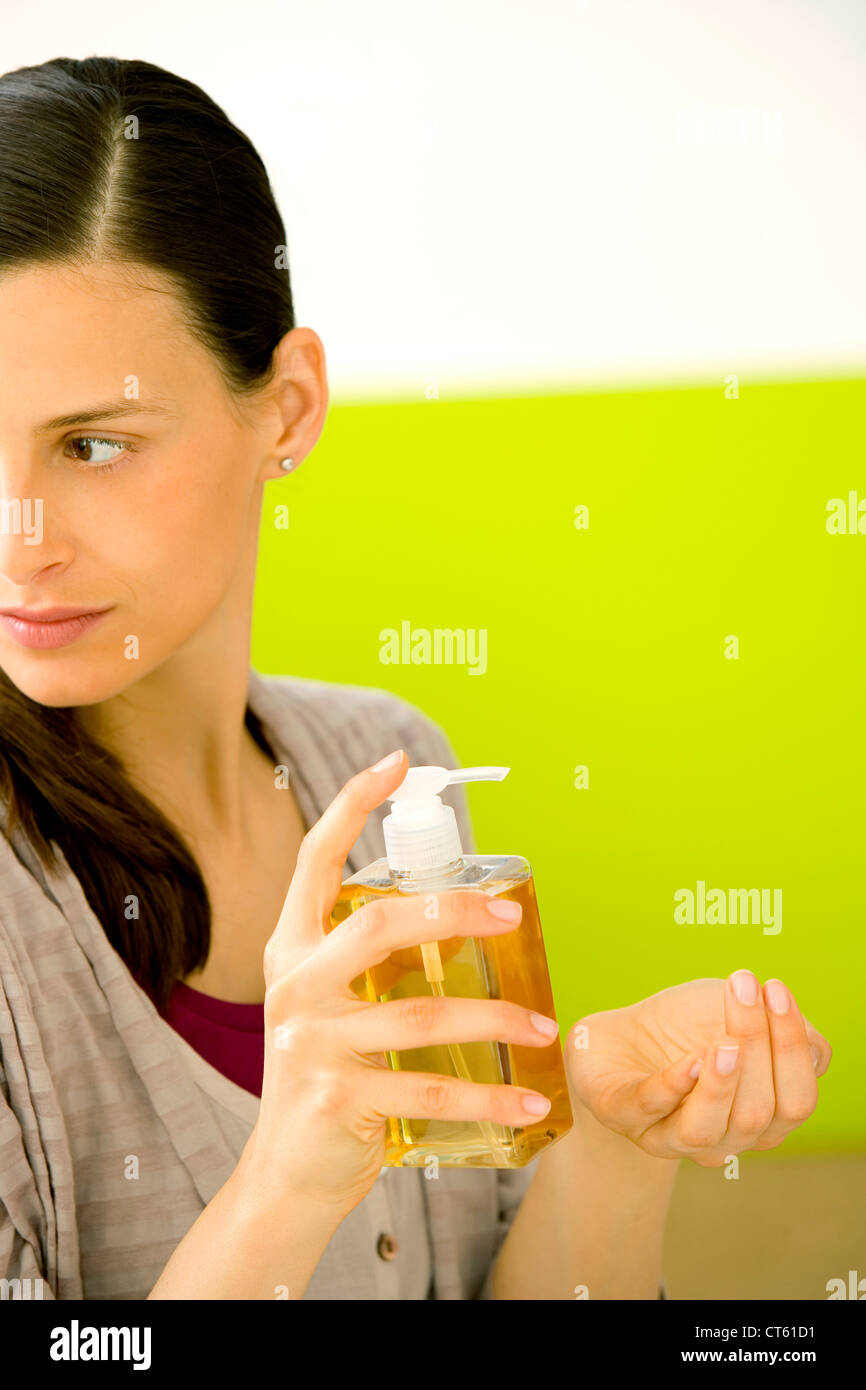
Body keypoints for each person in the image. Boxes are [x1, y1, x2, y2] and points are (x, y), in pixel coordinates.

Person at [0, 56, 831, 1301]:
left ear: (285, 407)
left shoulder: (385, 769)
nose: (22, 536)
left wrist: (610, 1136)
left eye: (95, 443)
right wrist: (286, 1177)